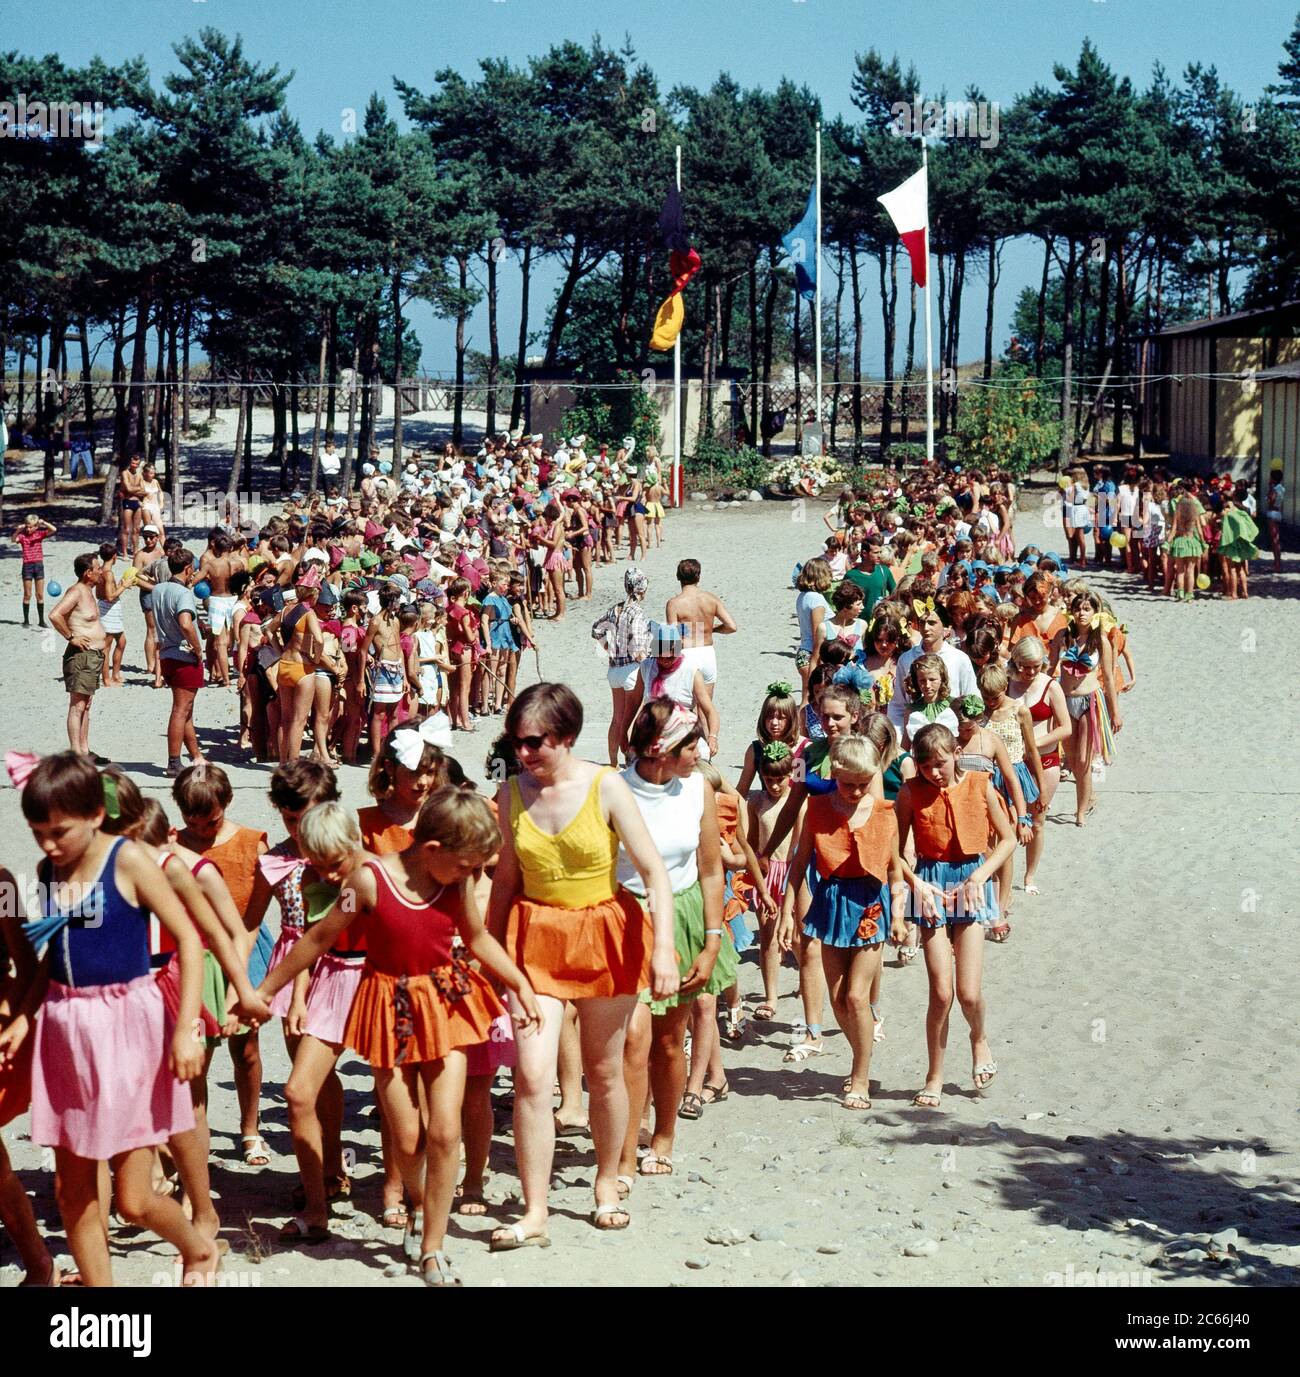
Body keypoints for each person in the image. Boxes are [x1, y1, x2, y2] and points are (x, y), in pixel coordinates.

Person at [247, 791, 541, 1285]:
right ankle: (418, 1197)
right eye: (465, 864)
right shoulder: (369, 879)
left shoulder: (458, 880)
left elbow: (478, 937)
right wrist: (264, 990)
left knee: (445, 1130)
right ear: (430, 849)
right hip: (389, 1008)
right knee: (407, 1138)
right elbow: (317, 938)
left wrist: (519, 982)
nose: (472, 872)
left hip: (446, 1001)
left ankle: (432, 1244)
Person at [485, 683, 677, 1248]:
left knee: (603, 1072)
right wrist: (490, 954)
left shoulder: (606, 786)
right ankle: (535, 1210)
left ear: (566, 737)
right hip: (535, 939)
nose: (523, 754)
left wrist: (663, 948)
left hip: (604, 935)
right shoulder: (510, 794)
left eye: (534, 743)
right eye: (515, 743)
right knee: (532, 1075)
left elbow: (655, 872)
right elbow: (504, 881)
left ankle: (606, 1184)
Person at [17, 751, 219, 1285]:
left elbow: (191, 943)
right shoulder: (48, 869)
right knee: (72, 1190)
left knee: (133, 1199)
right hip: (65, 1028)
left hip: (127, 1027)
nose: (48, 844)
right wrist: (24, 1013)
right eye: (37, 832)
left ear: (94, 815)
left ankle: (198, 1248)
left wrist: (184, 1031)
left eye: (58, 831)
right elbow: (54, 952)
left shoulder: (127, 860)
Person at [616, 701, 730, 1180]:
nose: (700, 751)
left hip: (681, 917)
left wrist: (711, 940)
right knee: (631, 1040)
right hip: (623, 919)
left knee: (668, 1041)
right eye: (691, 743)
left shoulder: (698, 788)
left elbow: (709, 868)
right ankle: (623, 1150)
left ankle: (662, 1135)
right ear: (661, 749)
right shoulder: (614, 789)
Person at [778, 734, 907, 1110]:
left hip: (869, 903)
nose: (855, 792)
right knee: (836, 998)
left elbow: (895, 868)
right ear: (834, 773)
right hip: (830, 902)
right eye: (848, 784)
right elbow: (799, 864)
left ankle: (860, 1075)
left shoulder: (885, 812)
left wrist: (899, 915)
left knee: (856, 995)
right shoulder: (816, 809)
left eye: (863, 785)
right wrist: (788, 912)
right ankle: (861, 1052)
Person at [896, 724, 1017, 1110]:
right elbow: (895, 854)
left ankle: (978, 1039)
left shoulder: (980, 784)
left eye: (941, 763)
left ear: (956, 754)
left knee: (968, 992)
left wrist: (982, 875)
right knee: (941, 993)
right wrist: (915, 883)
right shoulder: (910, 792)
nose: (935, 772)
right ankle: (934, 1075)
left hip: (970, 881)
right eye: (926, 765)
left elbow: (1009, 838)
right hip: (930, 885)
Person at [172, 762, 271, 1167]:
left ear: (226, 804)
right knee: (196, 1052)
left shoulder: (251, 843)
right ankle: (199, 1135)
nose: (201, 831)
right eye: (191, 822)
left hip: (242, 947)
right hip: (191, 955)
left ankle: (250, 1129)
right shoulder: (173, 844)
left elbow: (257, 913)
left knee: (244, 1046)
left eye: (210, 822)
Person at [1006, 636, 1070, 895]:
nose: (1030, 672)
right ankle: (1005, 875)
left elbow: (1066, 727)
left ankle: (1030, 874)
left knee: (1037, 819)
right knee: (1010, 820)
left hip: (1045, 760)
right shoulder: (1008, 683)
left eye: (1035, 666)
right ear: (1016, 662)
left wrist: (1035, 742)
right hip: (1012, 761)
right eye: (1025, 666)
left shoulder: (1050, 686)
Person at [1059, 589, 1121, 825]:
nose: (1081, 613)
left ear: (1095, 612)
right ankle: (1090, 796)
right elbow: (1049, 668)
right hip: (1065, 701)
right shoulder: (1063, 637)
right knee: (1073, 761)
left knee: (1084, 760)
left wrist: (1115, 712)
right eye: (1077, 609)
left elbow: (1109, 677)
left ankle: (1080, 811)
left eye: (1087, 609)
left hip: (1089, 702)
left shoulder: (1101, 641)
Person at [151, 549, 207, 777]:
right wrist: (197, 647)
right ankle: (174, 761)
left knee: (185, 710)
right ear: (187, 569)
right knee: (181, 709)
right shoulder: (182, 593)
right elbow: (185, 623)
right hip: (183, 656)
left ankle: (196, 756)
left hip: (166, 654)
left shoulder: (158, 589)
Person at [591, 565, 654, 767]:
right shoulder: (636, 611)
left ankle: (612, 762)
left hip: (614, 670)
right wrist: (643, 657)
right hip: (631, 670)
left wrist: (609, 647)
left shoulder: (614, 609)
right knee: (634, 718)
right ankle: (630, 760)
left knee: (617, 718)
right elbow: (637, 640)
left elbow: (596, 629)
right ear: (642, 588)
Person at [49, 551, 109, 760]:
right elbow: (55, 615)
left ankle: (84, 750)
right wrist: (71, 636)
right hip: (81, 656)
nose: (100, 571)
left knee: (87, 704)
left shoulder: (88, 590)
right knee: (77, 705)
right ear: (87, 573)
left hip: (92, 656)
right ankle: (76, 754)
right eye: (97, 568)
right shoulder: (76, 591)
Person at [634, 621, 720, 761]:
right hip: (652, 733)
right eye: (660, 656)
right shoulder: (646, 667)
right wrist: (624, 732)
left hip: (682, 732)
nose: (665, 660)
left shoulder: (690, 670)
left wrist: (713, 737)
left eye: (670, 657)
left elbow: (710, 710)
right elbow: (633, 704)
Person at [665, 558, 737, 697]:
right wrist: (713, 629)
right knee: (706, 709)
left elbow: (672, 638)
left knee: (684, 707)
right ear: (698, 576)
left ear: (678, 577)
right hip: (707, 654)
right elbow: (731, 626)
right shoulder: (711, 599)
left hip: (687, 654)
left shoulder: (674, 604)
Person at [198, 529, 241, 689]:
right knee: (232, 640)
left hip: (217, 600)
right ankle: (234, 674)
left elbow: (195, 580)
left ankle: (225, 679)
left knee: (220, 643)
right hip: (233, 599)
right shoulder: (239, 563)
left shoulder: (211, 564)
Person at [793, 557, 833, 707]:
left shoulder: (803, 597)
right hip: (812, 654)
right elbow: (819, 633)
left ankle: (799, 729)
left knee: (806, 698)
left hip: (804, 650)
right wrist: (817, 662)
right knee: (812, 701)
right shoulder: (816, 600)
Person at [11, 512, 56, 628]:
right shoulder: (22, 536)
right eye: (27, 526)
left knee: (40, 594)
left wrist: (43, 522)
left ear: (36, 527)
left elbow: (54, 529)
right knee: (27, 594)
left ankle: (41, 620)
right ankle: (26, 621)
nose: (28, 528)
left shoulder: (39, 534)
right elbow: (13, 539)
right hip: (27, 566)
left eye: (31, 526)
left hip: (38, 565)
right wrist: (18, 530)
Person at [843, 534, 896, 618]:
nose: (879, 555)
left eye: (880, 552)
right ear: (864, 553)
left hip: (879, 622)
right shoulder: (851, 576)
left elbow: (895, 593)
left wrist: (887, 601)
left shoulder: (884, 571)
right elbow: (844, 603)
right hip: (858, 623)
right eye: (875, 553)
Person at [1265, 460, 1284, 574]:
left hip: (1272, 513)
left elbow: (1271, 501)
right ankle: (1277, 563)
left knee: (1274, 541)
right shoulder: (1281, 487)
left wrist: (1270, 491)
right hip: (1278, 513)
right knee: (1276, 539)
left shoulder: (1275, 489)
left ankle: (1277, 565)